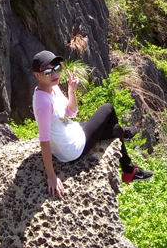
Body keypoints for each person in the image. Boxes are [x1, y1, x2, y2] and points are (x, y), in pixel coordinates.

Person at [31, 49, 152, 198]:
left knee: (113, 130)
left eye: (57, 68)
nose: (54, 74)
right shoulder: (43, 102)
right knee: (107, 108)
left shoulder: (53, 87)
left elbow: (72, 112)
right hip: (71, 148)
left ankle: (124, 148)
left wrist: (71, 91)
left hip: (70, 130)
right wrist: (51, 175)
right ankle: (128, 166)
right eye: (48, 72)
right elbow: (44, 141)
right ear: (37, 75)